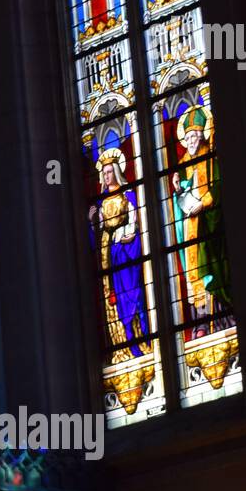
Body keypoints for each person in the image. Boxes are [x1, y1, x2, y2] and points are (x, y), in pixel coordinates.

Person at [170, 105, 230, 333]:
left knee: (213, 268)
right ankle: (202, 321)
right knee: (195, 272)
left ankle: (222, 317)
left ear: (202, 135)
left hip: (210, 224)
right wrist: (178, 188)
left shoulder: (210, 155)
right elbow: (184, 195)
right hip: (191, 227)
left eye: (195, 135)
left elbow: (218, 187)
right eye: (188, 137)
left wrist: (203, 205)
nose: (192, 140)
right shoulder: (184, 161)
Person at [90, 147, 150, 362]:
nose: (107, 176)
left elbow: (137, 226)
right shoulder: (100, 204)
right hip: (109, 255)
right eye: (103, 173)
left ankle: (140, 340)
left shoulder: (129, 196)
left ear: (117, 171)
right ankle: (122, 345)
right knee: (112, 298)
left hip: (126, 253)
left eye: (109, 172)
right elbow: (94, 240)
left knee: (135, 294)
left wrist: (127, 239)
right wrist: (92, 222)